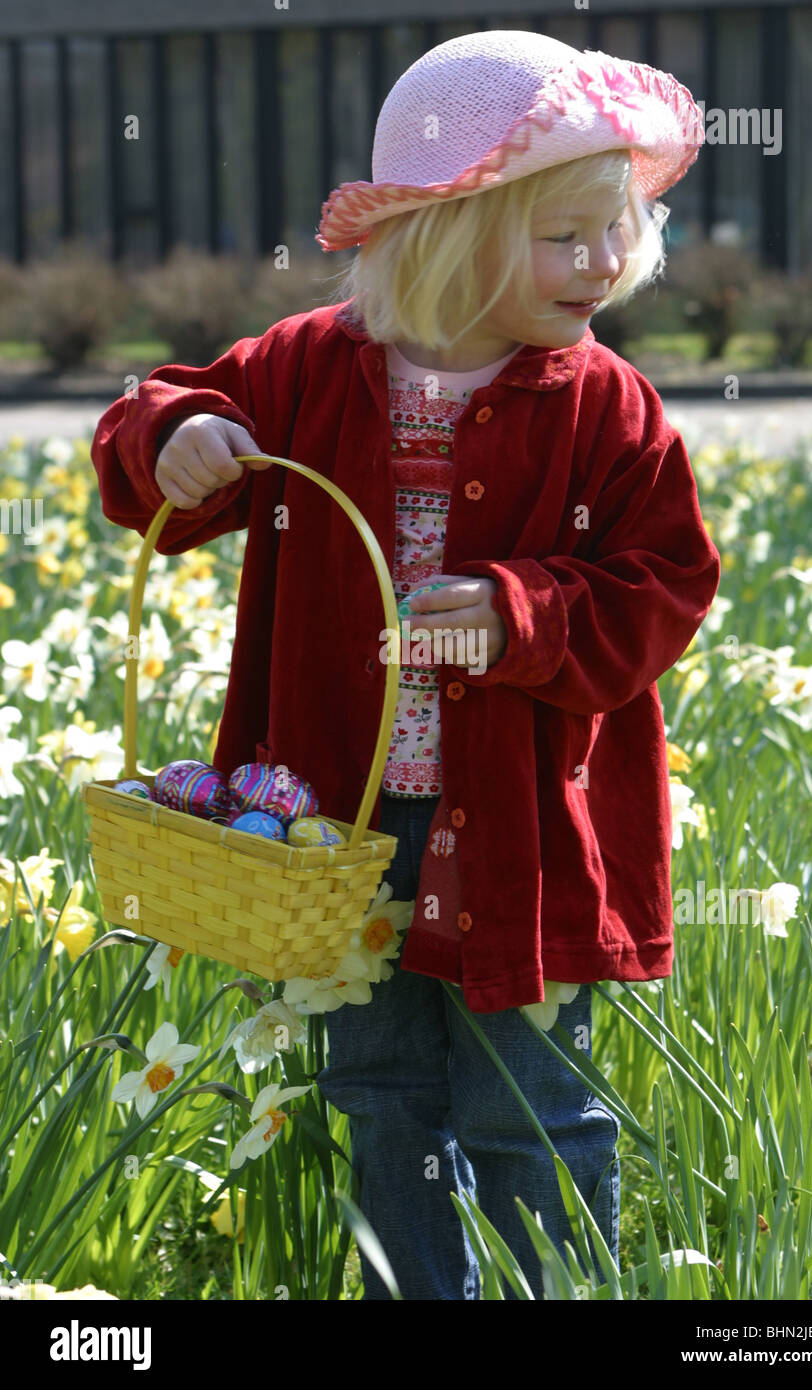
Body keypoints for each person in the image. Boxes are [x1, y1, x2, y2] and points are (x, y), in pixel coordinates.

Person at [91, 29, 720, 1301]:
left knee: (529, 1105)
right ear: (450, 229)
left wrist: (519, 614)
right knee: (377, 1092)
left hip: (521, 830)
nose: (605, 262)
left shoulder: (608, 408)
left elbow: (664, 587)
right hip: (334, 817)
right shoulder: (304, 368)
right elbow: (143, 425)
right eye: (565, 233)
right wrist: (180, 435)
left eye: (621, 230)